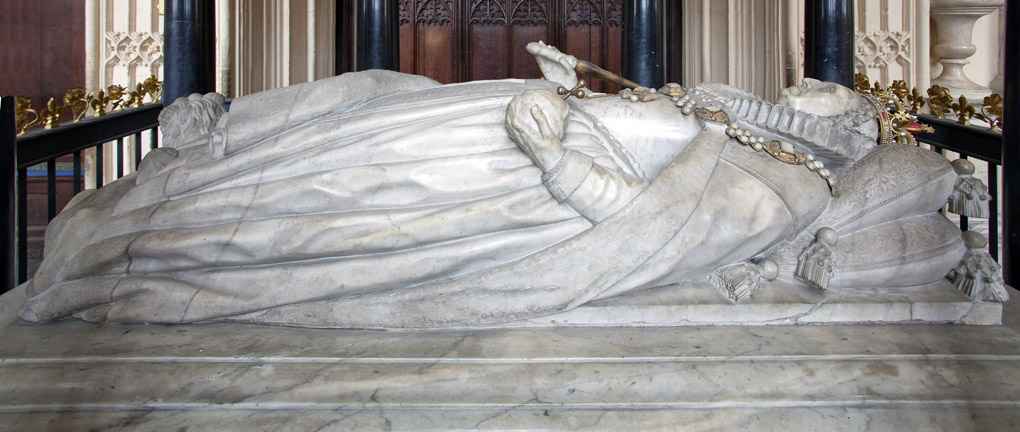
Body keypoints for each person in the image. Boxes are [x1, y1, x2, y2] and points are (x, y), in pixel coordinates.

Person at [19, 42, 971, 328]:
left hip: (514, 185)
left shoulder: (790, 186)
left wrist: (554, 151)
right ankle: (227, 133)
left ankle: (143, 252)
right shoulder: (725, 118)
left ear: (848, 134)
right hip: (502, 119)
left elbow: (654, 234)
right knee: (381, 99)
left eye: (822, 93)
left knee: (315, 210)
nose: (799, 86)